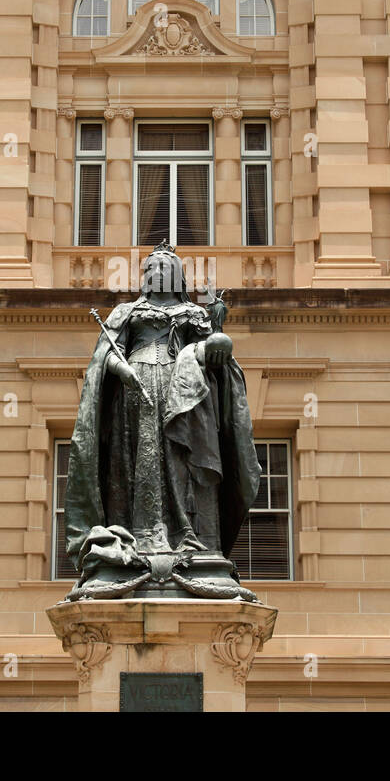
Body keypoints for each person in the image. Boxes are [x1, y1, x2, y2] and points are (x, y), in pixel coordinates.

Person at [63, 242, 261, 598]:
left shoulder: (193, 313)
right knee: (136, 465)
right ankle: (135, 537)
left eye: (164, 267)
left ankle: (191, 538)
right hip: (134, 393)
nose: (156, 272)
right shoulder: (127, 312)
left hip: (185, 398)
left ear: (177, 276)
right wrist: (121, 370)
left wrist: (215, 344)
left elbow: (216, 358)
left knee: (180, 464)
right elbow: (105, 356)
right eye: (150, 268)